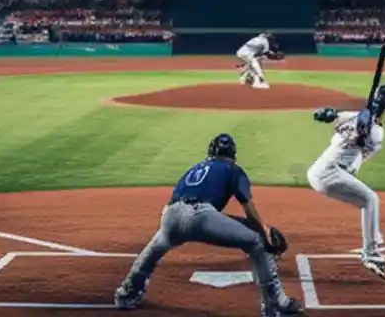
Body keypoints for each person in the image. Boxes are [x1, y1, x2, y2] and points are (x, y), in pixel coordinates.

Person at [113, 133, 302, 316]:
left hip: (170, 215)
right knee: (256, 241)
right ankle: (275, 304)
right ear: (233, 155)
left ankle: (127, 294)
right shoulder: (233, 170)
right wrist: (264, 230)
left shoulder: (196, 167)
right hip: (200, 216)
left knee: (154, 250)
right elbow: (249, 208)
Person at [306, 83, 385, 281]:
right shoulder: (371, 129)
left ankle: (373, 235)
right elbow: (321, 115)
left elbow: (353, 161)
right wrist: (328, 113)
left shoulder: (356, 118)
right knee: (371, 200)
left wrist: (353, 130)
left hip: (318, 172)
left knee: (366, 201)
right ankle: (371, 251)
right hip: (329, 172)